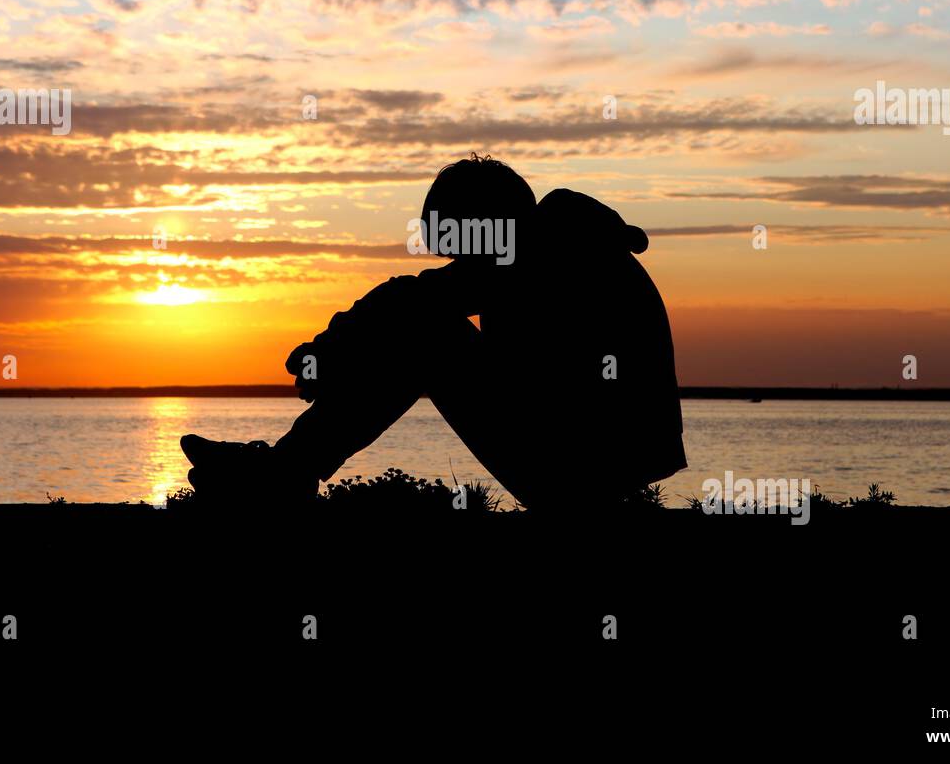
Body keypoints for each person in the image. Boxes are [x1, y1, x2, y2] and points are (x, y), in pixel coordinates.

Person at [181, 154, 685, 510]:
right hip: (584, 458)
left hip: (586, 473)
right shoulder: (550, 243)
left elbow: (416, 297)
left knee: (426, 334)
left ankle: (279, 477)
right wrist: (340, 351)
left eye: (458, 245)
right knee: (420, 328)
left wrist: (332, 350)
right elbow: (424, 295)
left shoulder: (549, 248)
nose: (456, 261)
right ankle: (281, 473)